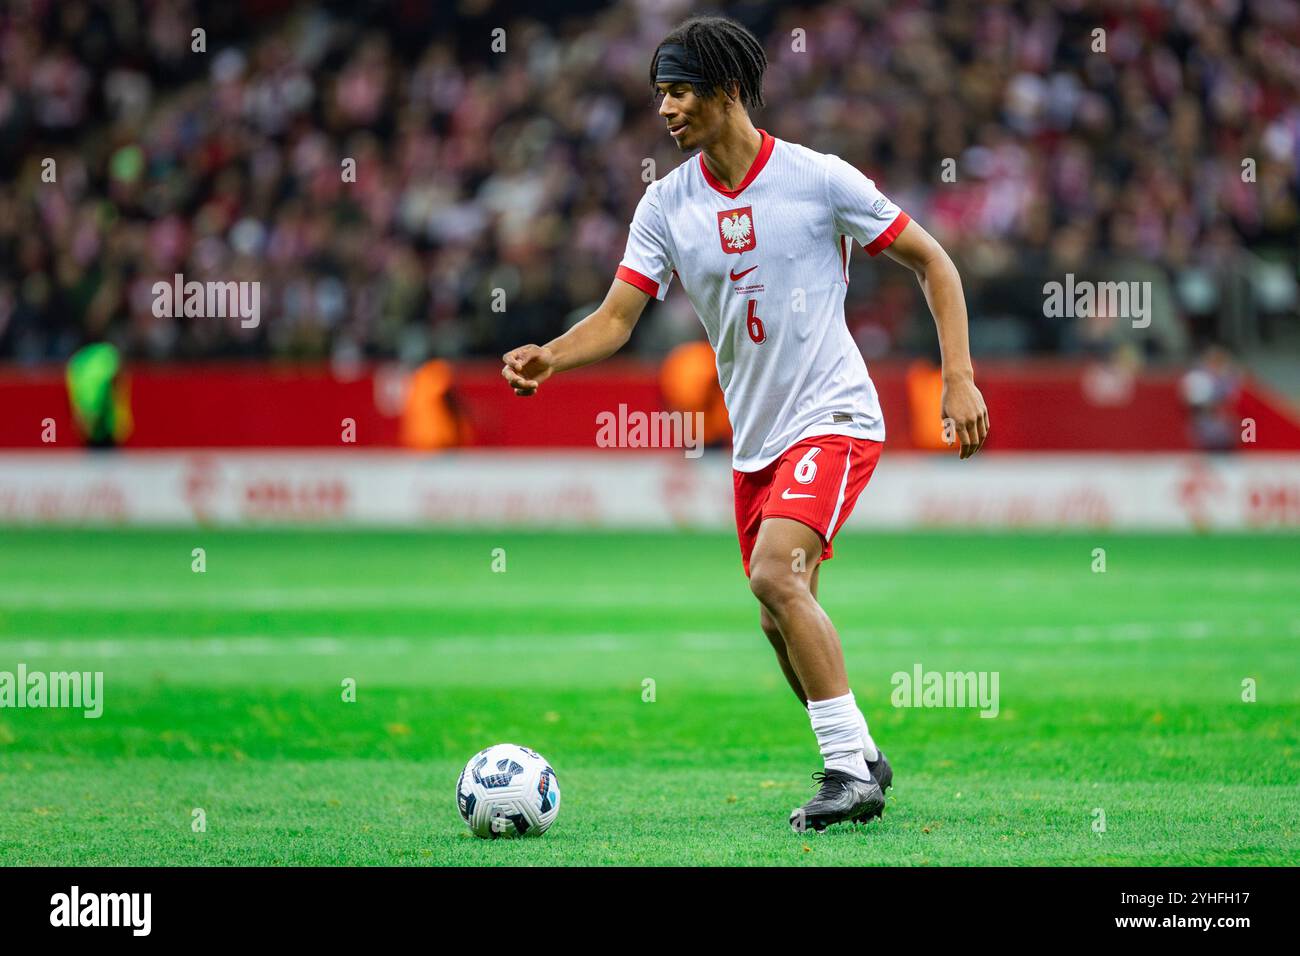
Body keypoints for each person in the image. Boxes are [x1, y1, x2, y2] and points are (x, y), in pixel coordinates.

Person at [501, 15, 989, 832]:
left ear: (726, 89)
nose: (666, 109)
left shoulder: (818, 178)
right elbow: (620, 317)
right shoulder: (667, 203)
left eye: (680, 90)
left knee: (773, 575)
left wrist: (960, 380)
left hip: (833, 414)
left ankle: (848, 774)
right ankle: (861, 752)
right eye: (660, 94)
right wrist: (552, 355)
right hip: (755, 442)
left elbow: (933, 260)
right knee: (776, 619)